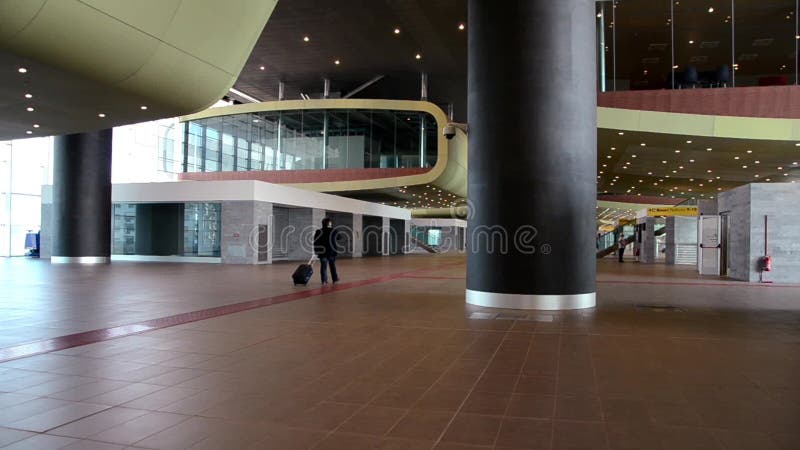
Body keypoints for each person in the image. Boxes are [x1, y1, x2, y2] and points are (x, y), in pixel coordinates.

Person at [313, 217, 340, 285]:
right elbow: (339, 237)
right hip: (332, 251)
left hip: (322, 252)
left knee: (323, 266)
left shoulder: (318, 231)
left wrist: (316, 251)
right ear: (329, 223)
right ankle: (335, 279)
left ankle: (324, 281)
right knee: (332, 266)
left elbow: (315, 242)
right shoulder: (334, 230)